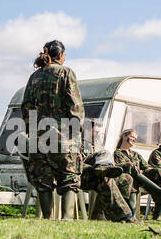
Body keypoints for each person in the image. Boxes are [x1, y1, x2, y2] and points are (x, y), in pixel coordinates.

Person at [20, 39, 83, 220]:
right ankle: (66, 218)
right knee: (69, 178)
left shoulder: (34, 77)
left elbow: (26, 106)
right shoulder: (66, 72)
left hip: (38, 136)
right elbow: (75, 106)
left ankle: (47, 218)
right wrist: (75, 131)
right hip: (62, 135)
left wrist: (32, 130)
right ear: (61, 55)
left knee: (42, 179)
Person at [111, 128, 161, 219]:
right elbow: (120, 167)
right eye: (132, 137)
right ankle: (157, 191)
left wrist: (148, 171)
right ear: (124, 136)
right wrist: (132, 167)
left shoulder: (135, 154)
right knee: (132, 181)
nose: (134, 140)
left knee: (157, 172)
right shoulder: (118, 153)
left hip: (141, 180)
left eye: (135, 138)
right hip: (129, 180)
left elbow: (146, 166)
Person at [81, 129, 134, 222]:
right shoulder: (75, 143)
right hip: (81, 174)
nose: (97, 134)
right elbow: (72, 164)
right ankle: (125, 216)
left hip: (95, 174)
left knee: (126, 179)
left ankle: (100, 214)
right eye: (94, 131)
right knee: (106, 175)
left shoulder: (94, 146)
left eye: (99, 133)